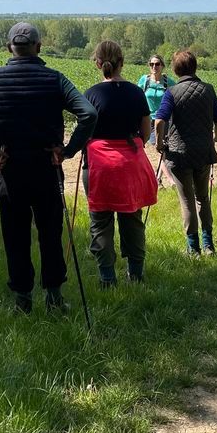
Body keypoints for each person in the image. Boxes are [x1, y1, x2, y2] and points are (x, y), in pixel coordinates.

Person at [0, 22, 97, 314]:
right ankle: (54, 298)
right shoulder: (55, 79)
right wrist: (67, 150)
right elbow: (89, 114)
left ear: (9, 48)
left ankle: (22, 300)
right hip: (47, 166)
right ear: (38, 47)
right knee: (50, 233)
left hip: (10, 167)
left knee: (15, 235)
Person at [83, 41, 158, 286]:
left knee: (100, 221)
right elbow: (145, 133)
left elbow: (83, 134)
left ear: (97, 63)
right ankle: (135, 275)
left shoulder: (91, 95)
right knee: (132, 219)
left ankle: (107, 278)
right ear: (122, 62)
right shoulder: (136, 93)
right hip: (130, 165)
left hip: (99, 168)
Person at [153, 50, 217, 255]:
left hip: (179, 154)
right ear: (195, 67)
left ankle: (193, 248)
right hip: (203, 152)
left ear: (176, 70)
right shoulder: (208, 89)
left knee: (187, 201)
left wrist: (159, 144)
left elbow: (159, 121)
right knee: (203, 198)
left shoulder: (172, 92)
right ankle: (208, 245)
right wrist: (214, 138)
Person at [137, 54, 176, 143]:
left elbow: (178, 94)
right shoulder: (144, 80)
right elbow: (137, 97)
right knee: (149, 143)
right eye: (152, 64)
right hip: (147, 119)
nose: (154, 66)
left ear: (162, 66)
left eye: (157, 64)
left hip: (163, 121)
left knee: (159, 143)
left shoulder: (168, 82)